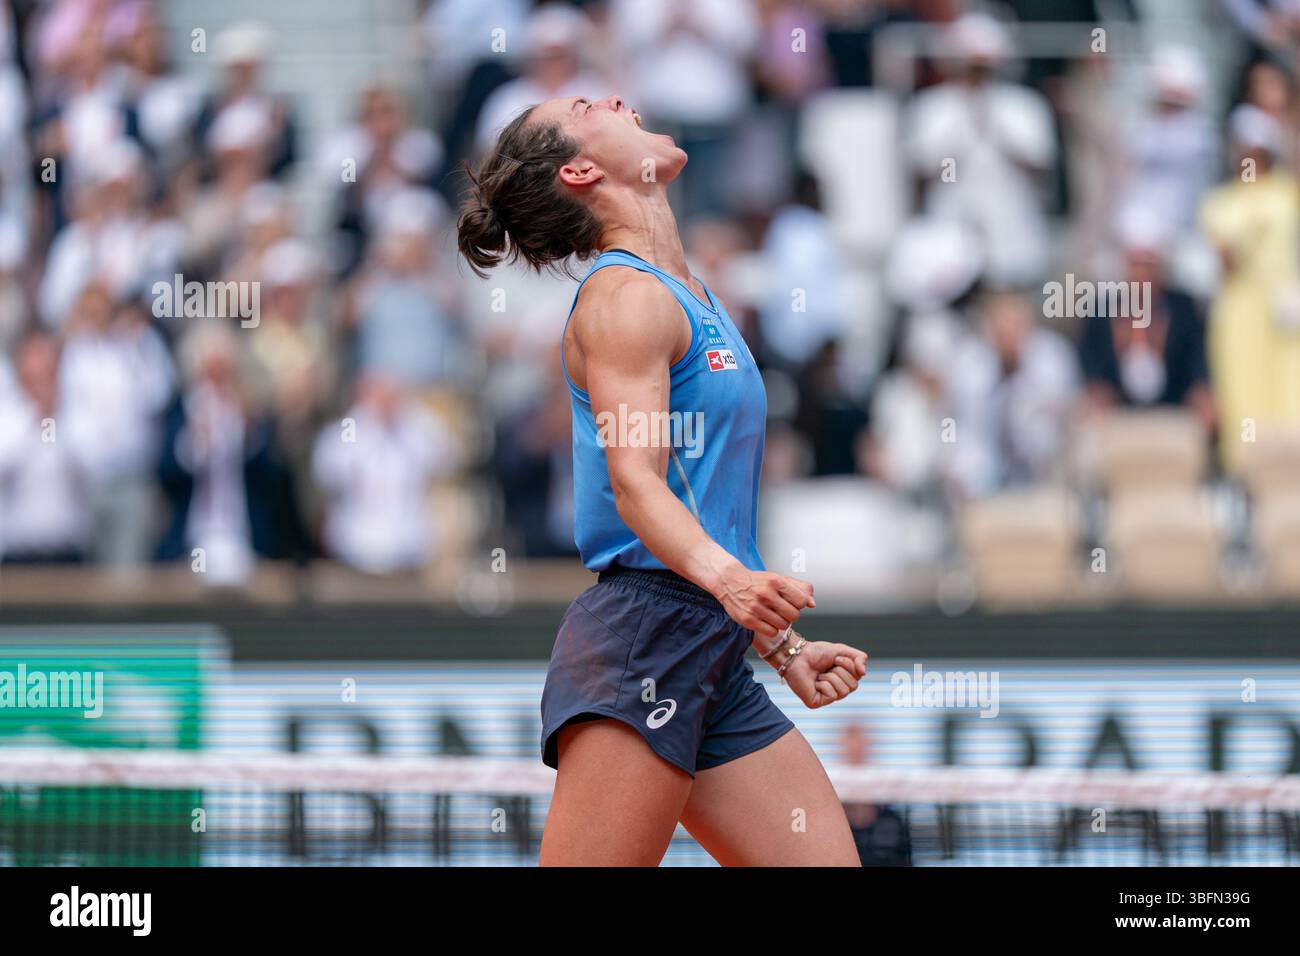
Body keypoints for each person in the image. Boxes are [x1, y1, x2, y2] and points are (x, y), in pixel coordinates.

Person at [457, 94, 868, 866]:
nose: (617, 98)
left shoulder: (692, 294)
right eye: (587, 106)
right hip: (643, 644)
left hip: (711, 644)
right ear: (580, 169)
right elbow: (635, 485)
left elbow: (702, 509)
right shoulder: (625, 299)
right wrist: (737, 587)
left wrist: (781, 648)